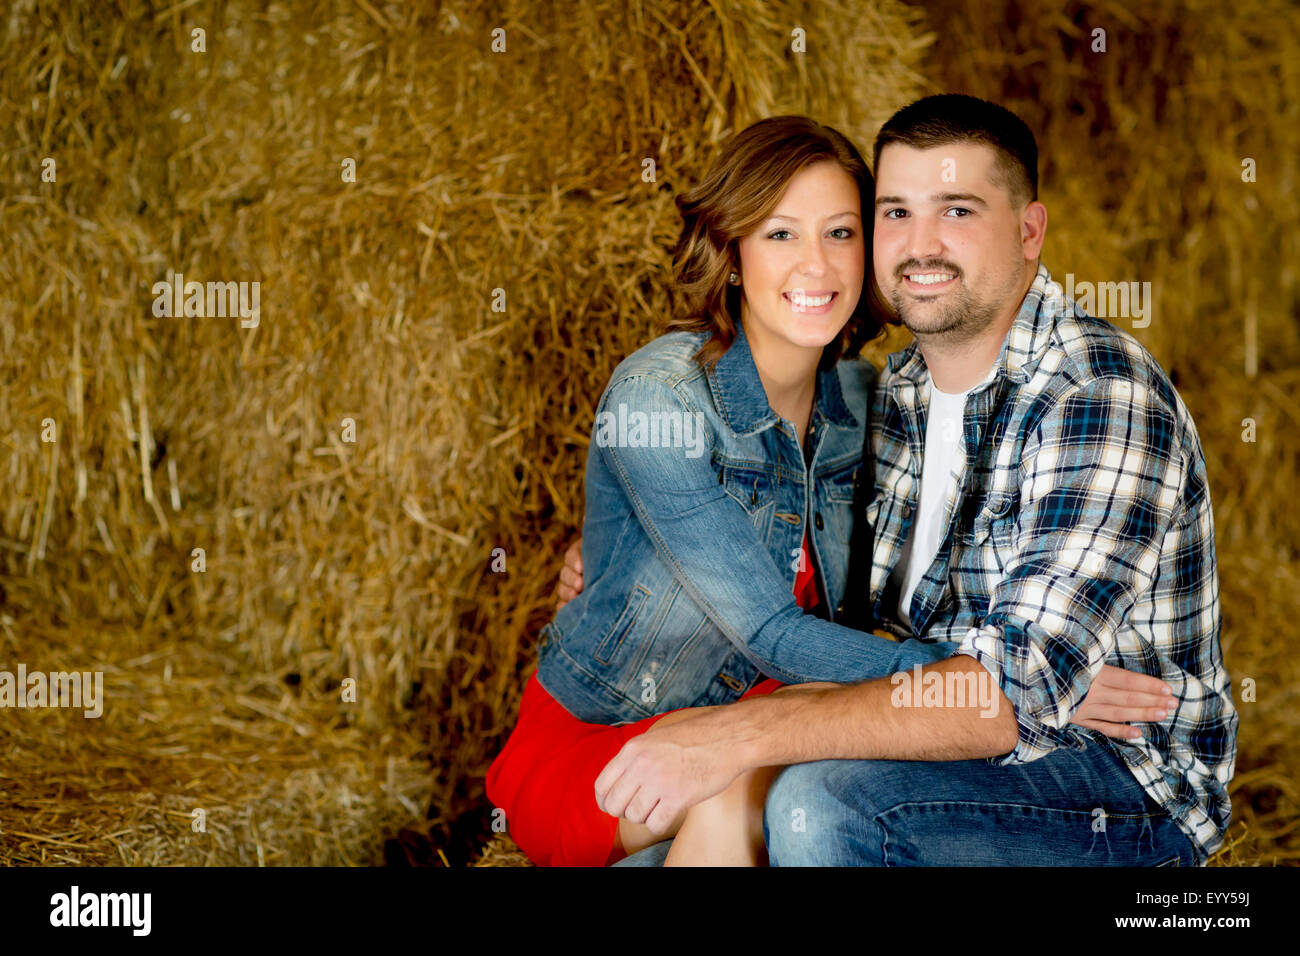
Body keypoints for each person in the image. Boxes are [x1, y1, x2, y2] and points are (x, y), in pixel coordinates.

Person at [487, 113, 1173, 867]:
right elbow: (770, 633)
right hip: (612, 729)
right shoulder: (661, 398)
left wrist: (1020, 682)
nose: (817, 265)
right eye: (781, 234)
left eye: (842, 233)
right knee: (747, 792)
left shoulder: (874, 401)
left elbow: (930, 585)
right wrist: (989, 689)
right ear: (735, 254)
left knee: (760, 806)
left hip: (769, 712)